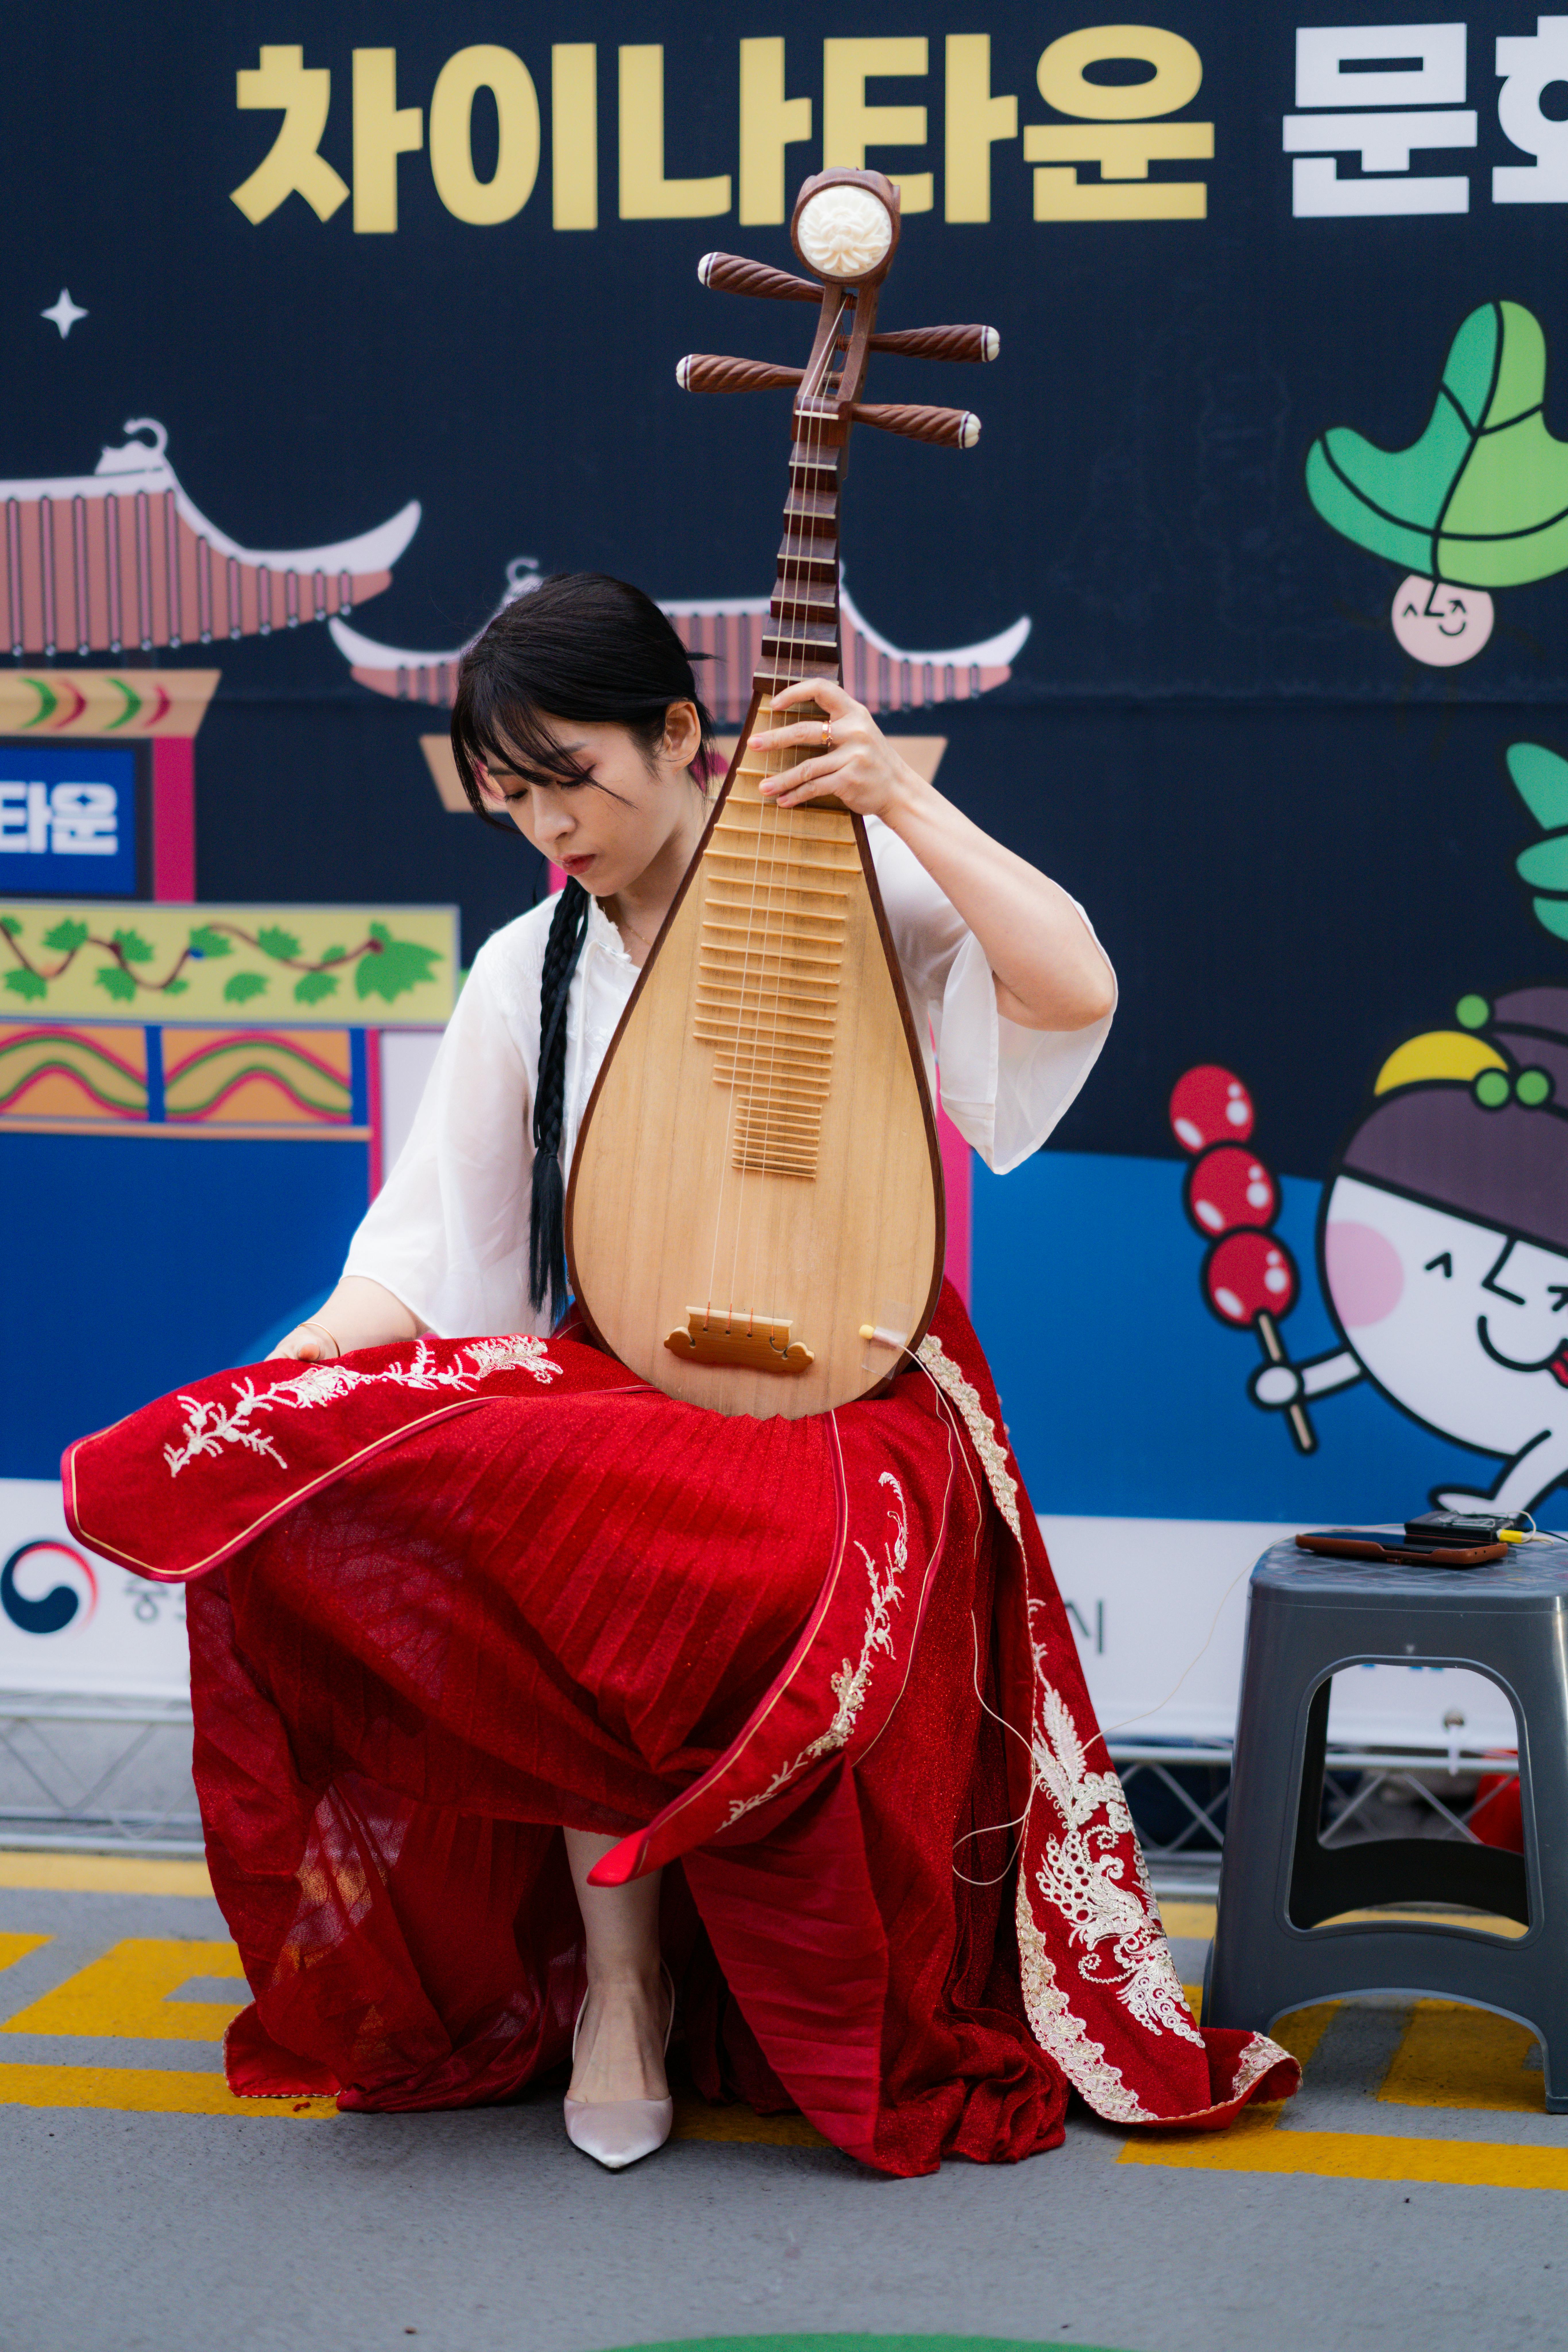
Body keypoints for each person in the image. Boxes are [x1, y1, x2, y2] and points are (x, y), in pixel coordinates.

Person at [64, 575, 1296, 2175]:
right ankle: (623, 1992)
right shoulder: (533, 964)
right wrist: (281, 1395)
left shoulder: (846, 891)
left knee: (723, 1551)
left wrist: (904, 803)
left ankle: (822, 1991)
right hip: (627, 1374)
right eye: (509, 800)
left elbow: (1068, 988)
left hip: (855, 1389)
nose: (546, 827)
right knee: (555, 1515)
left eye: (569, 775)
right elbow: (428, 1253)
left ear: (677, 731)